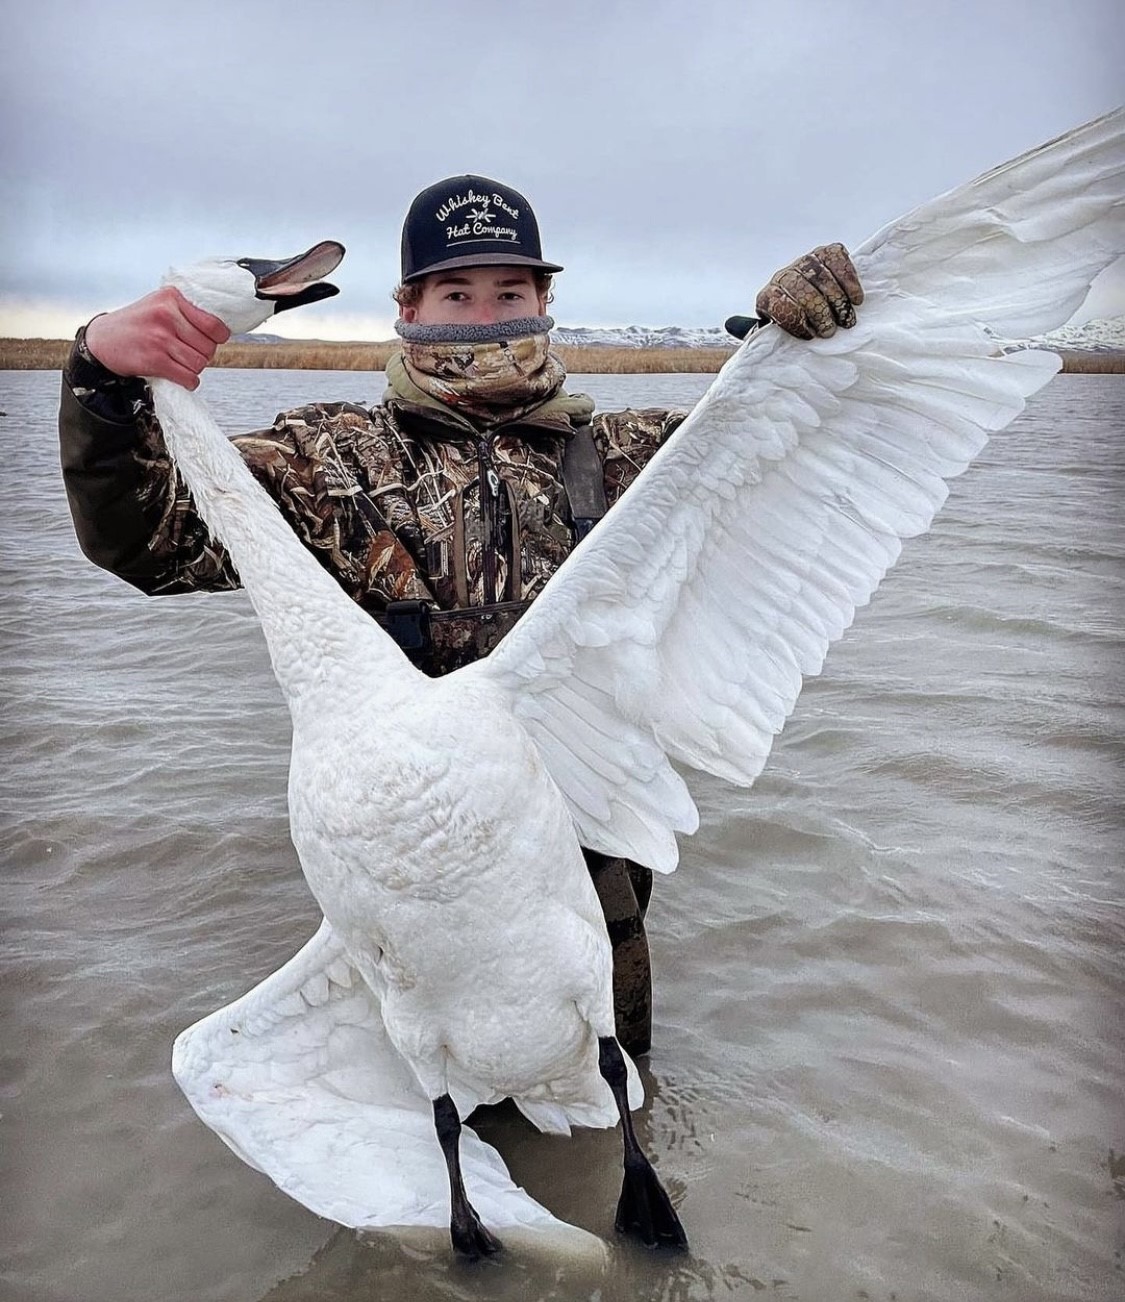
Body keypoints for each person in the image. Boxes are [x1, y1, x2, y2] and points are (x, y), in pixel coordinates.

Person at [59, 174, 863, 1058]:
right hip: (421, 881)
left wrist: (813, 354)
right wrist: (102, 380)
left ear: (545, 299)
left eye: (509, 292)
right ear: (407, 302)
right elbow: (154, 541)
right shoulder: (324, 459)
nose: (484, 317)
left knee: (610, 1085)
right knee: (428, 1093)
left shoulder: (638, 456)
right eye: (456, 292)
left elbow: (818, 482)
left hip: (591, 866)